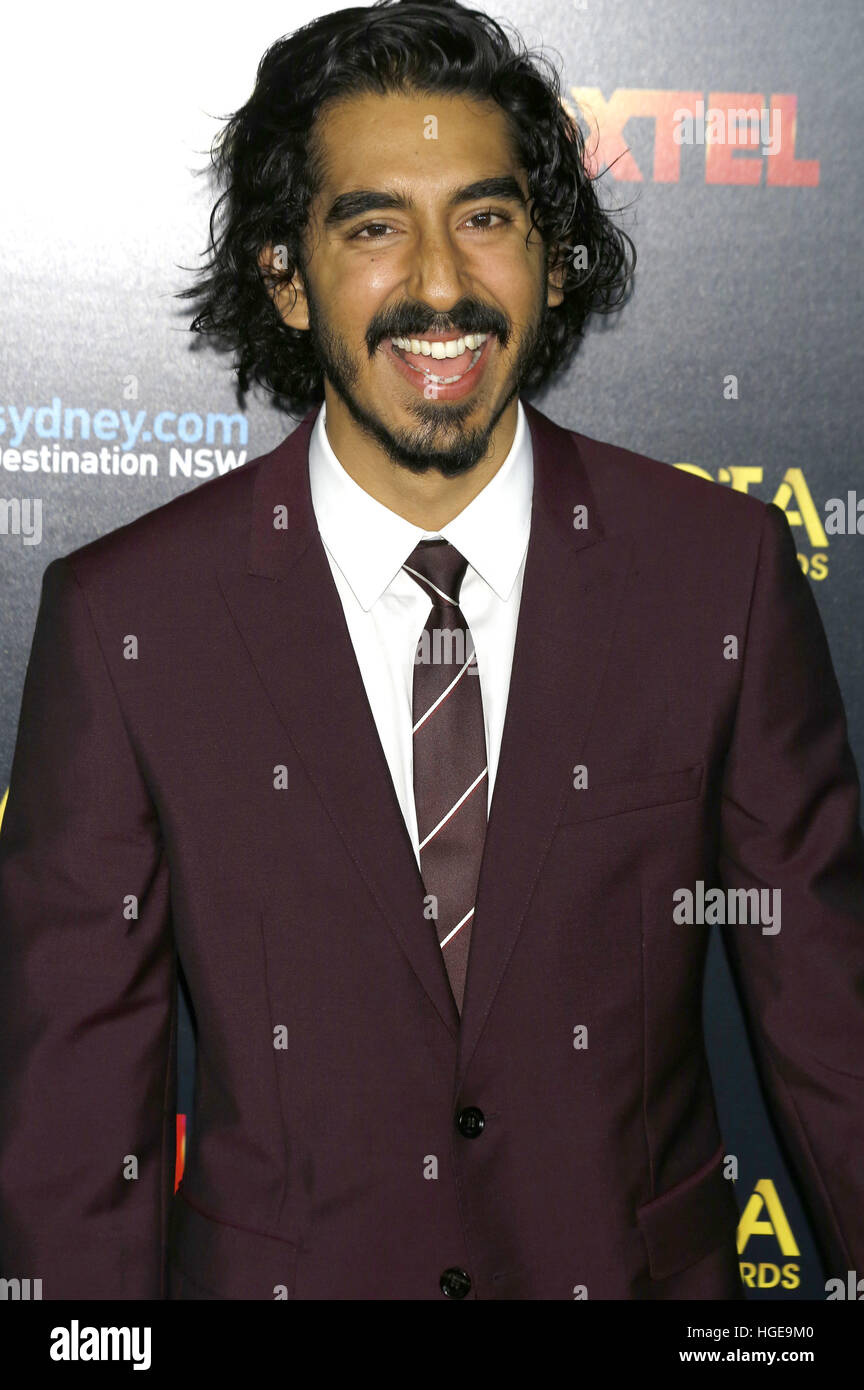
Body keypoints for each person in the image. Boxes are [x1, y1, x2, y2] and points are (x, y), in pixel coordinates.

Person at [1, 0, 862, 1301]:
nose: (442, 283)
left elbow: (834, 1035)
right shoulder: (129, 622)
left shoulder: (717, 574)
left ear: (554, 258)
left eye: (486, 215)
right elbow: (74, 1128)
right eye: (371, 225)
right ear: (286, 275)